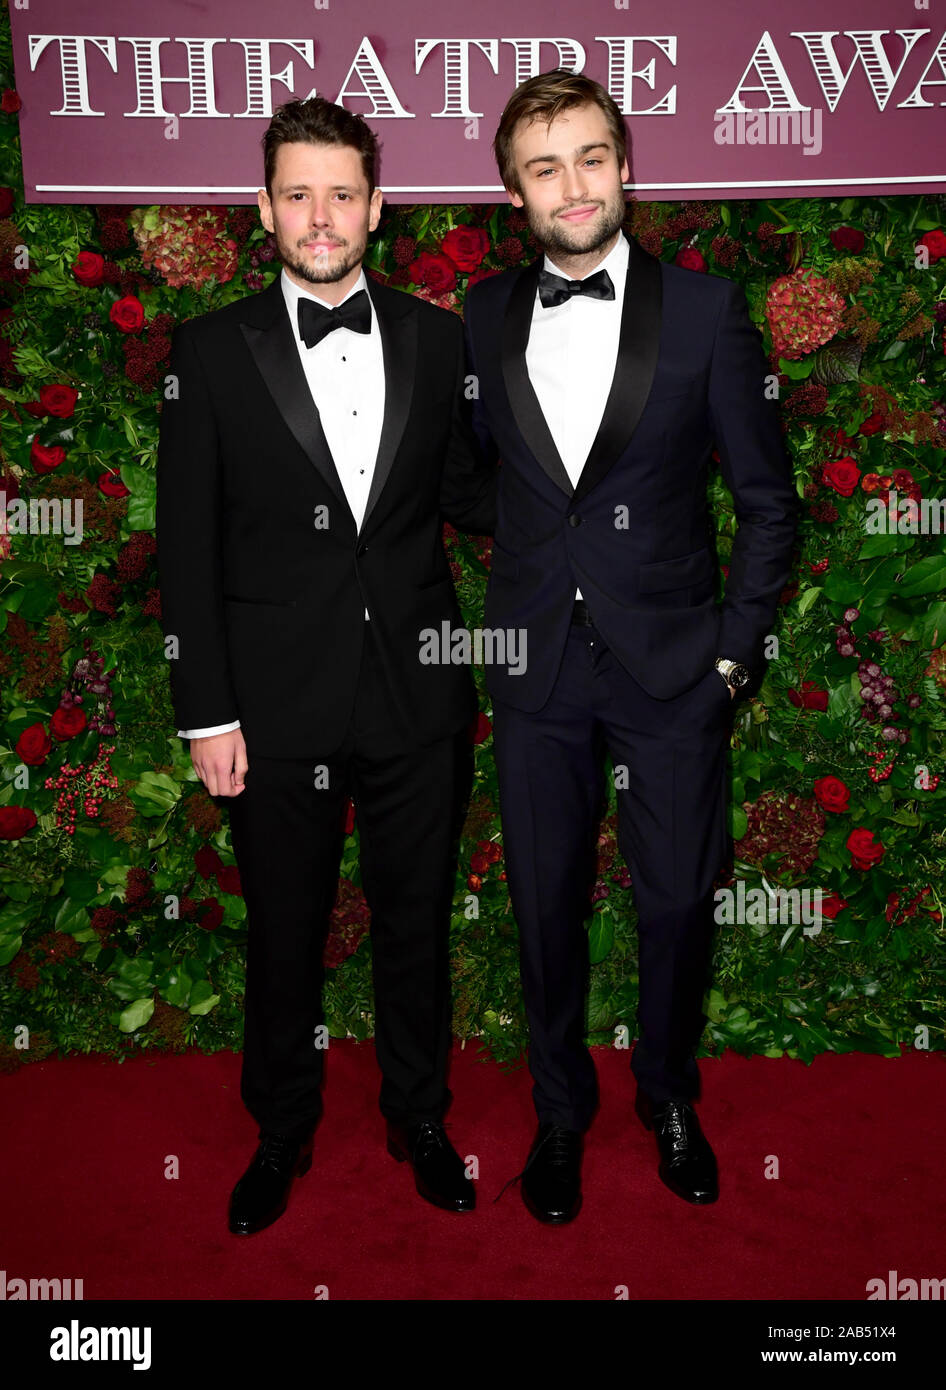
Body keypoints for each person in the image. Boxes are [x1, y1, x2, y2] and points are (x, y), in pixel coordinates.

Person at [156, 96, 495, 1235]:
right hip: (271, 705)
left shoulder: (440, 339)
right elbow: (187, 549)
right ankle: (282, 1129)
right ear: (263, 209)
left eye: (341, 192)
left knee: (415, 924)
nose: (320, 214)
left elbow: (468, 496)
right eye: (296, 193)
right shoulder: (206, 353)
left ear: (377, 207)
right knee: (284, 933)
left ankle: (420, 1116)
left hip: (416, 698)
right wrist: (205, 711)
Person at [464, 70, 799, 1222]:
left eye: (591, 156)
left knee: (672, 903)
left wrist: (731, 656)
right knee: (543, 906)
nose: (573, 184)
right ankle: (560, 1115)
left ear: (626, 167)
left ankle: (666, 1097)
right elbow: (474, 482)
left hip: (670, 668)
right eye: (544, 165)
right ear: (514, 192)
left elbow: (767, 502)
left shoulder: (706, 312)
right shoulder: (477, 317)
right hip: (535, 668)